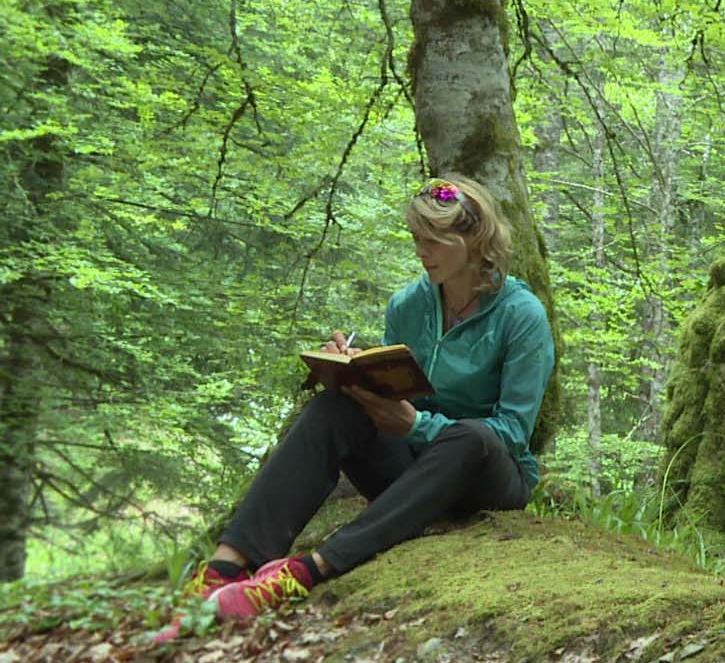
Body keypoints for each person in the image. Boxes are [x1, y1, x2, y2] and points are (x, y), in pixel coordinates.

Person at [161, 175, 554, 636]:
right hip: (414, 471)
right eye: (416, 239)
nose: (421, 252)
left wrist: (418, 426)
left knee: (474, 436)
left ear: (473, 240)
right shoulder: (408, 305)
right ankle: (223, 570)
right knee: (333, 408)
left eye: (432, 241)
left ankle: (306, 571)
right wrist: (354, 374)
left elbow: (513, 433)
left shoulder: (520, 315)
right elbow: (399, 390)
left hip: (487, 477)